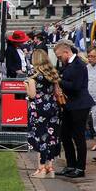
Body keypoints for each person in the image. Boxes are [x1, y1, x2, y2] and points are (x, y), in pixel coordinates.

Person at [54, 42, 93, 179]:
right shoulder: (68, 65)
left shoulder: (79, 65)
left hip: (80, 104)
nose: (59, 59)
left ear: (66, 52)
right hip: (70, 105)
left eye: (59, 57)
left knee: (79, 137)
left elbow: (75, 86)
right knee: (64, 134)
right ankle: (71, 164)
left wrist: (59, 80)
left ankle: (80, 167)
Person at [25, 49, 63, 178]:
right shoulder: (52, 73)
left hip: (38, 109)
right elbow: (57, 92)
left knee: (39, 136)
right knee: (52, 136)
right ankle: (50, 167)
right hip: (52, 107)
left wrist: (25, 85)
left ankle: (41, 168)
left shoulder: (33, 74)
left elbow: (32, 94)